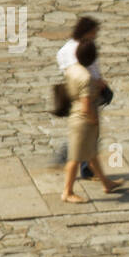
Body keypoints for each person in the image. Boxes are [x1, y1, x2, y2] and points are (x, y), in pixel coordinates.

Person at [62, 37, 124, 203]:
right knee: (74, 159)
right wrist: (94, 120)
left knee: (92, 154)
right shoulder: (86, 78)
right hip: (83, 122)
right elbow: (86, 106)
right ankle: (67, 192)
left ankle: (106, 183)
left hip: (74, 114)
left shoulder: (72, 68)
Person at [56, 17, 109, 179]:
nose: (95, 35)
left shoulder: (71, 49)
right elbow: (85, 74)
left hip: (85, 93)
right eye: (94, 31)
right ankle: (78, 171)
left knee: (84, 137)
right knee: (85, 136)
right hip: (85, 96)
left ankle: (95, 173)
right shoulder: (76, 52)